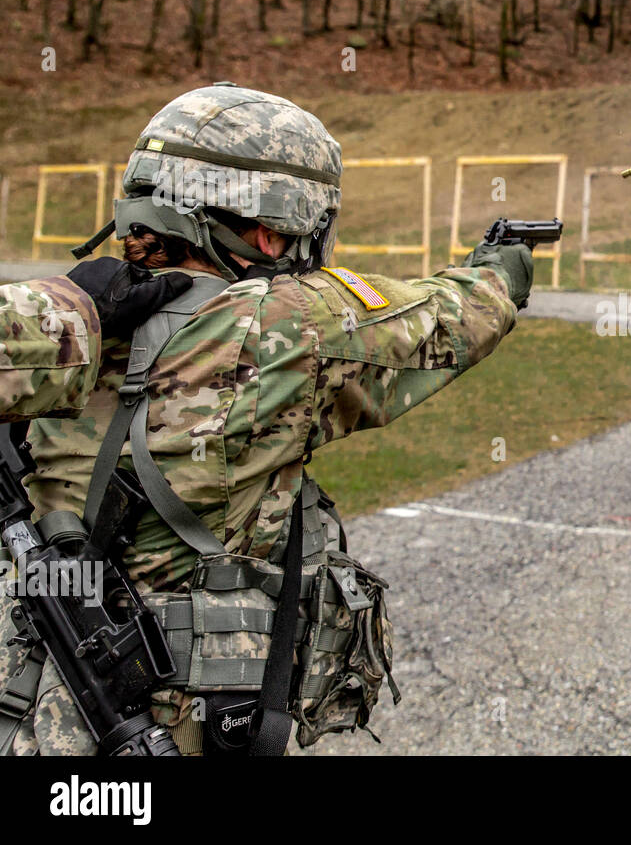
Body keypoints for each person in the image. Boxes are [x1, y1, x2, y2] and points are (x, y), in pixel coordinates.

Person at [0, 84, 533, 755]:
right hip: (170, 725)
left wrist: (71, 305)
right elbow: (452, 320)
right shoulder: (281, 324)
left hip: (31, 710)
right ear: (270, 228)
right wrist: (500, 273)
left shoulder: (56, 323)